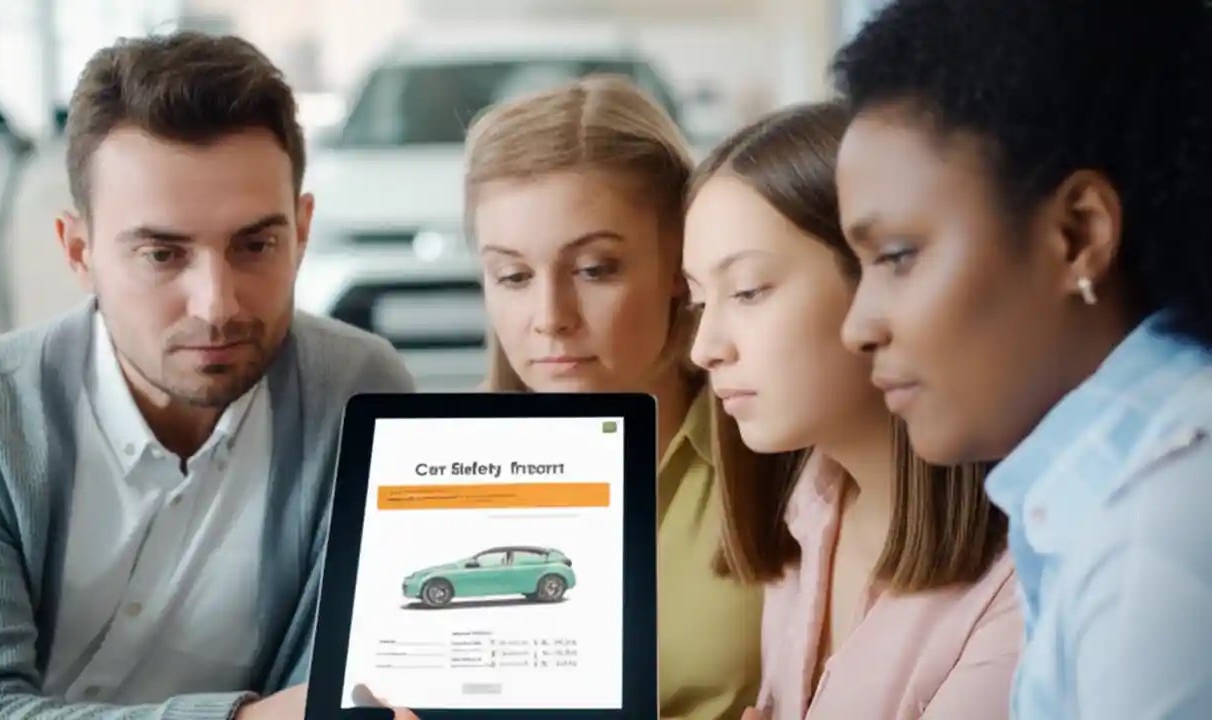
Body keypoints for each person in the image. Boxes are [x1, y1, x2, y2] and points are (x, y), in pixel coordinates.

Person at [0, 32, 415, 719]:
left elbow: (351, 685)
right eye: (162, 254)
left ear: (302, 232)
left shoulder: (359, 393)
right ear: (79, 249)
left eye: (256, 245)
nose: (216, 306)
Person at [831, 1, 1212, 717]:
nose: (858, 327)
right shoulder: (1102, 493)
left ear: (1076, 235)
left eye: (898, 258)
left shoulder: (1157, 540)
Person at [683, 101, 1020, 720]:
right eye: (700, 302)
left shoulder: (1022, 585)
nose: (706, 348)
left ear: (881, 278)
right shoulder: (807, 514)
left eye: (749, 291)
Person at [464, 75, 763, 720]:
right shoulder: (444, 466)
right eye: (513, 275)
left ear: (680, 270)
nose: (550, 317)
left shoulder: (768, 447)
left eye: (595, 269)